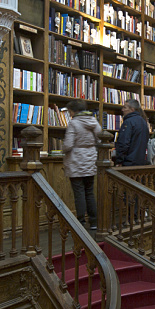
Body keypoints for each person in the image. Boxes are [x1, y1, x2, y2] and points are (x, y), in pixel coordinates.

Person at [62, 99, 101, 230]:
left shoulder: (74, 123)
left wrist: (62, 149)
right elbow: (100, 138)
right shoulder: (94, 121)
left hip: (76, 161)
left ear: (73, 111)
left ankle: (81, 222)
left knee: (79, 192)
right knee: (89, 192)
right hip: (90, 159)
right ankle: (94, 222)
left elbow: (68, 145)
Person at [114, 99, 149, 166]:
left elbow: (124, 143)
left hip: (128, 161)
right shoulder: (144, 122)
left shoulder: (128, 122)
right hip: (141, 161)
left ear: (132, 109)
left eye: (125, 107)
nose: (122, 110)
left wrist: (119, 160)